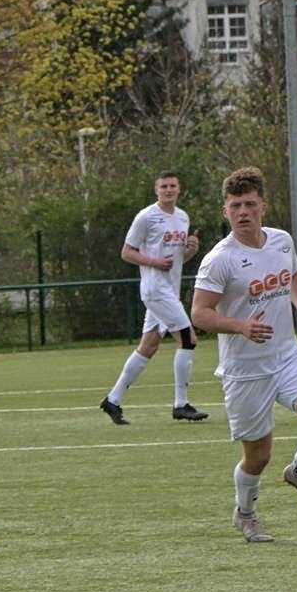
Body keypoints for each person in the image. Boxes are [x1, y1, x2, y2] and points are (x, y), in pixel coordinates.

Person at [190, 166, 297, 544]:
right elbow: (199, 314)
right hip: (245, 370)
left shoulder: (281, 241)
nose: (243, 211)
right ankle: (246, 513)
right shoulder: (219, 259)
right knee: (258, 455)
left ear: (263, 207)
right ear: (225, 212)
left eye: (250, 204)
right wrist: (242, 327)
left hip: (287, 356)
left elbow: (294, 276)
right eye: (235, 205)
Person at [100, 171, 208, 425]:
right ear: (156, 190)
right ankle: (181, 404)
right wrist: (153, 262)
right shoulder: (147, 216)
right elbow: (127, 252)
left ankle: (112, 400)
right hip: (154, 289)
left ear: (179, 189)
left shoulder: (182, 217)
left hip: (169, 290)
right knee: (188, 339)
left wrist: (190, 250)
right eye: (164, 186)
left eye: (172, 186)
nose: (168, 190)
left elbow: (177, 259)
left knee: (148, 346)